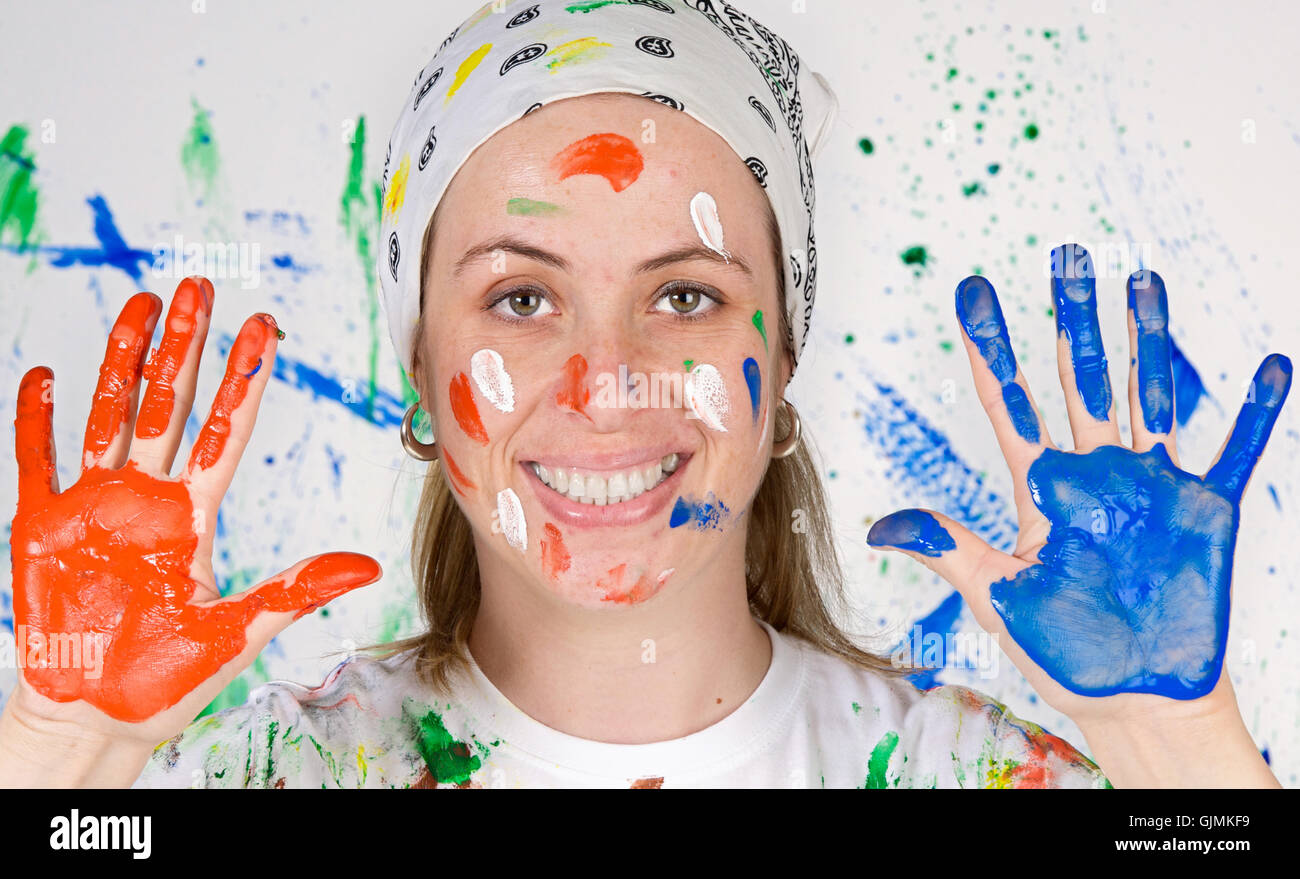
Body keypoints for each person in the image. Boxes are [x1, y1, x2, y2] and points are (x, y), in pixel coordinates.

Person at [0, 0, 1288, 789]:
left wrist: (1170, 747)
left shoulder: (974, 781)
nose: (605, 378)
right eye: (519, 296)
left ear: (782, 364)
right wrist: (64, 750)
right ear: (418, 371)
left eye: (685, 296)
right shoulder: (273, 780)